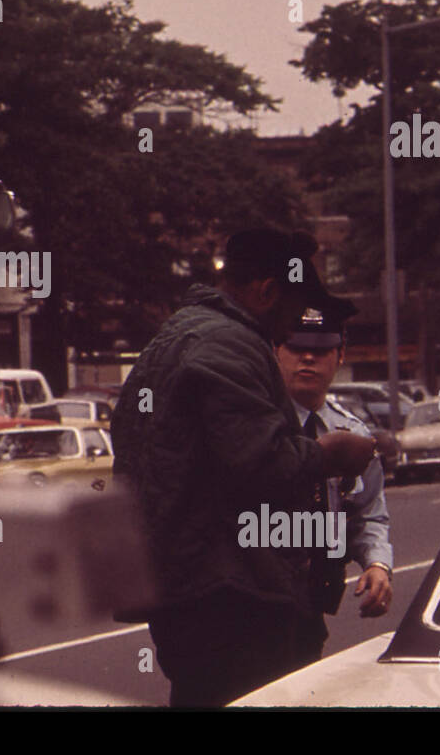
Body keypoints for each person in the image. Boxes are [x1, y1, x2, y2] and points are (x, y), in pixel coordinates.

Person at [111, 228, 375, 707]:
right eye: (293, 314)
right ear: (268, 291)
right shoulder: (229, 344)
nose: (289, 332)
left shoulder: (176, 336)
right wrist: (331, 454)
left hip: (185, 589)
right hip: (230, 596)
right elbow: (259, 461)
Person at [274, 305, 394, 649]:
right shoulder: (257, 427)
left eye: (322, 349)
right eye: (296, 348)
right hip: (255, 602)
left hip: (313, 602)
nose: (308, 357)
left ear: (340, 355)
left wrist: (377, 564)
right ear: (276, 351)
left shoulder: (352, 432)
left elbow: (368, 513)